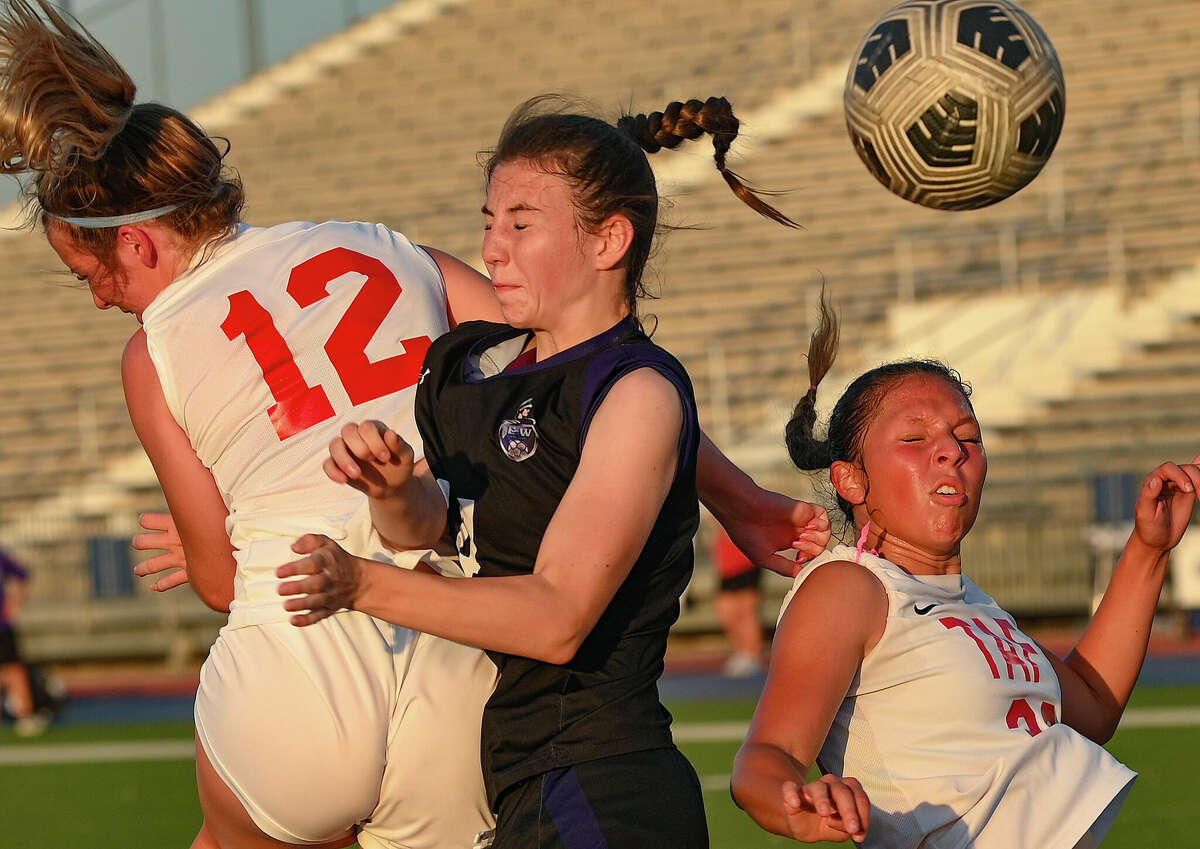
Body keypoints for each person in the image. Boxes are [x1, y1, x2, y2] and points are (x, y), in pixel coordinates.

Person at [1, 4, 828, 845]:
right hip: (456, 648)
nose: (99, 298)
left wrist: (234, 538)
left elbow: (219, 582)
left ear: (137, 246)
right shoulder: (387, 249)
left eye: (86, 276)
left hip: (302, 645)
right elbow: (581, 375)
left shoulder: (154, 353)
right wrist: (739, 497)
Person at [273, 95, 826, 849]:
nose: (493, 248)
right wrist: (393, 489)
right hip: (525, 778)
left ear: (610, 241)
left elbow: (558, 617)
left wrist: (362, 585)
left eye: (522, 224)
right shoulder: (487, 371)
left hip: (602, 785)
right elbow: (430, 529)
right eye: (490, 222)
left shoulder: (636, 392)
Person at [729, 295, 1200, 847]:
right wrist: (793, 803)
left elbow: (1091, 711)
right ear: (850, 480)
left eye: (968, 437)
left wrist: (1149, 551)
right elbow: (766, 758)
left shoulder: (970, 603)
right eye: (914, 438)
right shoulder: (850, 585)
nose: (952, 450)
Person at [0, 547, 47, 737]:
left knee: (13, 670)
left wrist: (15, 602)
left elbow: (22, 575)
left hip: (1, 626)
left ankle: (25, 716)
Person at [710, 523, 767, 677]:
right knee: (725, 609)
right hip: (728, 561)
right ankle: (743, 651)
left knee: (747, 608)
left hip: (745, 557)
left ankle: (753, 654)